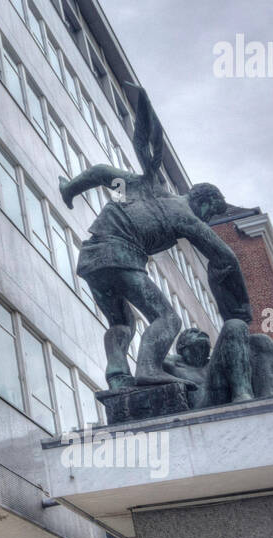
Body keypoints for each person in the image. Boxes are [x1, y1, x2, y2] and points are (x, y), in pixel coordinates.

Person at [58, 165, 245, 391]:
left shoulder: (143, 186)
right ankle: (148, 368)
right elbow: (226, 256)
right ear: (205, 200)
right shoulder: (185, 216)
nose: (208, 219)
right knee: (168, 319)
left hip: (91, 259)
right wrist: (239, 308)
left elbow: (100, 172)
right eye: (211, 212)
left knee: (122, 322)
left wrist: (70, 189)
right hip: (120, 257)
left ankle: (117, 375)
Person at [165, 325, 273, 408]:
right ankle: (242, 395)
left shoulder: (215, 363)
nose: (200, 333)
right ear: (181, 345)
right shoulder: (174, 364)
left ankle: (268, 399)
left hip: (224, 392)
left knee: (261, 341)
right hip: (204, 404)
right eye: (194, 332)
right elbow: (149, 362)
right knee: (233, 326)